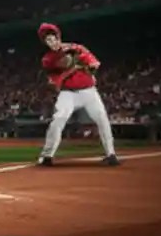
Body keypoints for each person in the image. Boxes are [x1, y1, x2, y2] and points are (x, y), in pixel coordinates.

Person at [35, 23, 119, 166]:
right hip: (68, 93)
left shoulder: (76, 48)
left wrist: (88, 65)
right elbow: (57, 79)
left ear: (58, 37)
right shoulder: (48, 59)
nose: (52, 42)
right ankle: (47, 156)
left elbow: (94, 63)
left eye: (53, 38)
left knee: (102, 118)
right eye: (48, 41)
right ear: (45, 43)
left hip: (88, 91)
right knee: (58, 119)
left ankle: (111, 154)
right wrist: (75, 66)